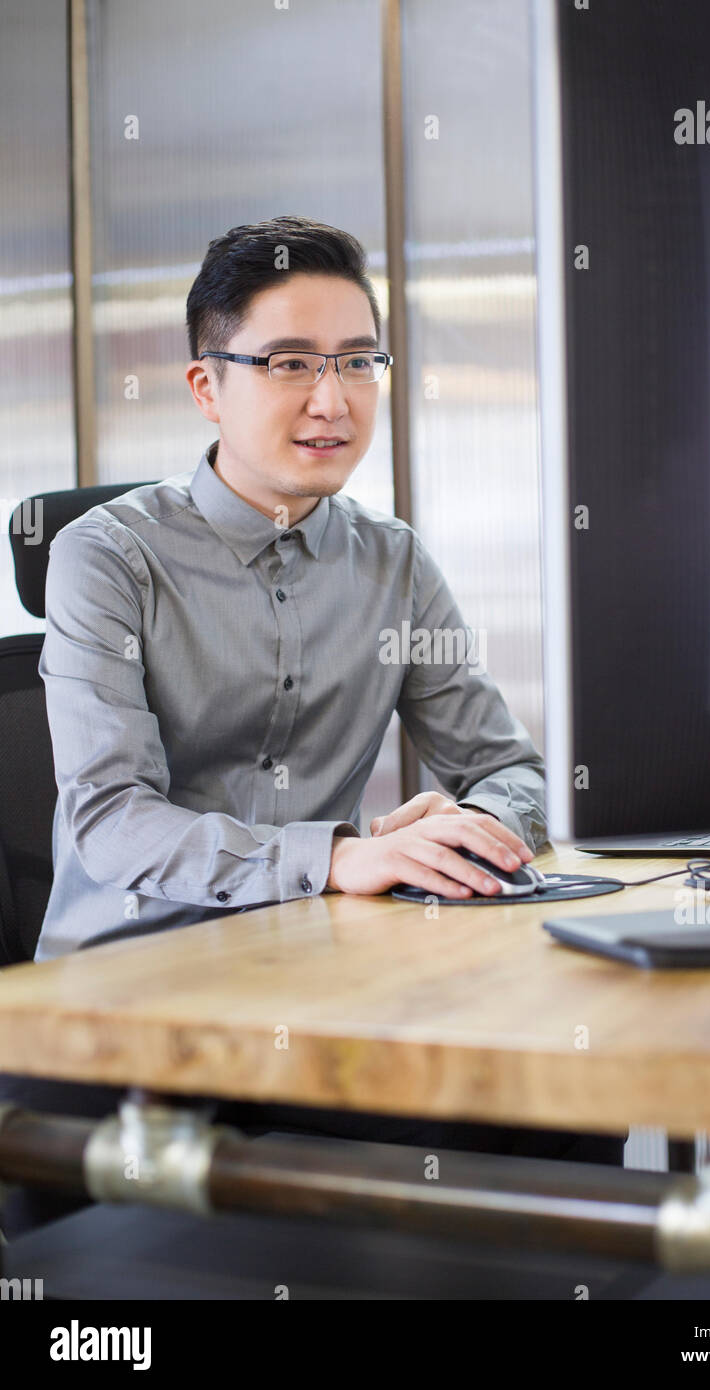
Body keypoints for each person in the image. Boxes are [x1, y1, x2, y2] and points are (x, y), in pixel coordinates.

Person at [1, 216, 623, 1237]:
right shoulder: (106, 558)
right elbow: (111, 820)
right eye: (289, 363)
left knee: (566, 1102)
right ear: (208, 385)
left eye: (356, 362)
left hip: (316, 974)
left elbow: (512, 767)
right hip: (125, 1001)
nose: (331, 399)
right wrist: (333, 855)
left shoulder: (393, 563)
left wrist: (470, 823)